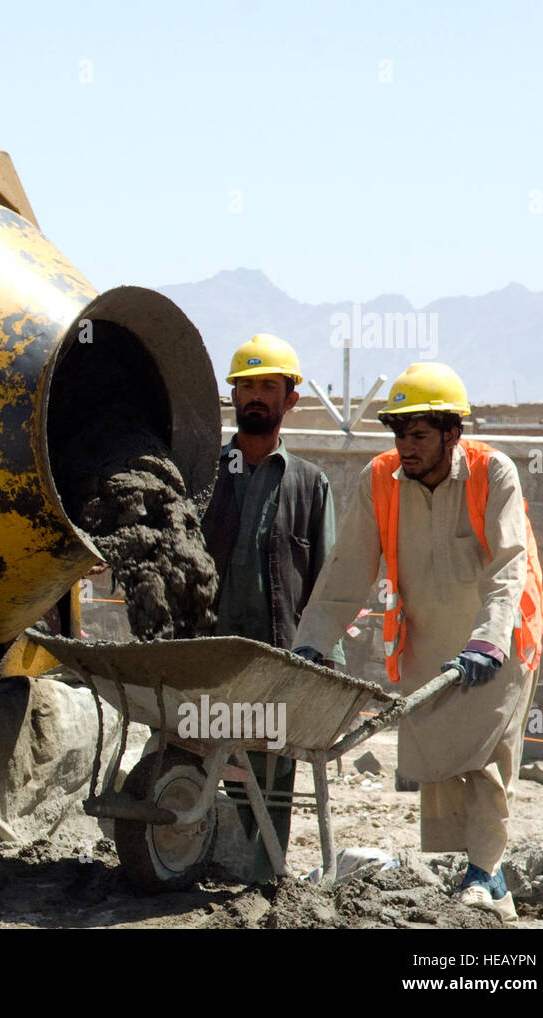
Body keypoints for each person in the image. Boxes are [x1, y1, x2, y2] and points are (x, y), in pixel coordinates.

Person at [293, 362, 543, 923]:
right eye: (399, 434)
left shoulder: (494, 472)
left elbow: (510, 565)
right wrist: (311, 643)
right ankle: (484, 872)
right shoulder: (379, 480)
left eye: (419, 435)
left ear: (452, 434)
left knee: (485, 757)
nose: (405, 447)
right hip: (429, 641)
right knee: (440, 761)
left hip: (502, 637)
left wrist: (489, 640)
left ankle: (484, 873)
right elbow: (345, 572)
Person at [200, 333, 340, 881]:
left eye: (268, 386)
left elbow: (329, 585)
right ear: (232, 396)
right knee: (201, 751)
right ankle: (197, 863)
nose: (255, 395)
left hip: (278, 658)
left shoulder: (310, 484)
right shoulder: (203, 476)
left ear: (291, 400)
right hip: (207, 651)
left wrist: (328, 668)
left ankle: (262, 877)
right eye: (246, 386)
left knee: (270, 768)